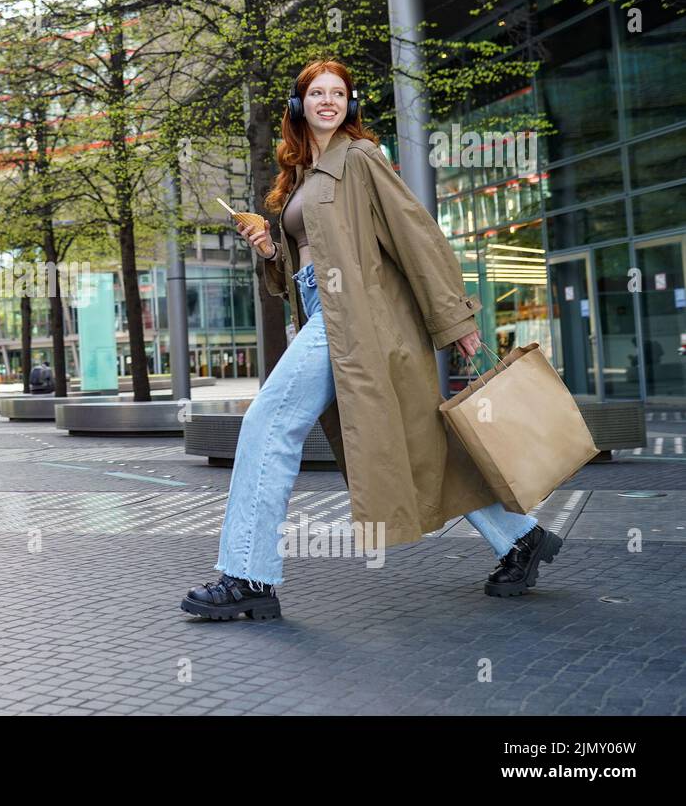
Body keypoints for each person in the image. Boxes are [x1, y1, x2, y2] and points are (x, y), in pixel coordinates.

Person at [181, 59, 563, 622]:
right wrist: (269, 249)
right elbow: (303, 269)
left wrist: (455, 322)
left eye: (339, 93)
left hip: (354, 319)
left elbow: (417, 235)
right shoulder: (303, 177)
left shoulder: (360, 159)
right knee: (419, 442)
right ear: (298, 106)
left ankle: (248, 574)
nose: (329, 101)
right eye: (317, 93)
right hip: (323, 311)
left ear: (351, 105)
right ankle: (522, 539)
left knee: (267, 421)